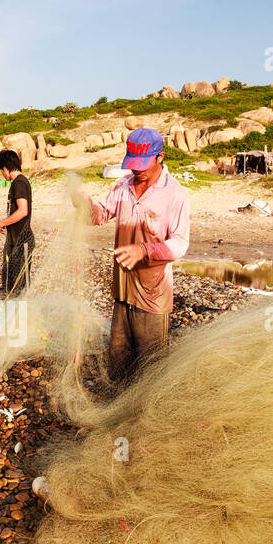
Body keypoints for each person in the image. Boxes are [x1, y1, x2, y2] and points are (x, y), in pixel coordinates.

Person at [89, 128, 189, 383]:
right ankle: (120, 404)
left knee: (151, 364)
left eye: (142, 164)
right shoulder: (123, 186)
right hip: (123, 291)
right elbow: (101, 214)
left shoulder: (174, 193)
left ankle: (146, 414)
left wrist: (144, 250)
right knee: (119, 355)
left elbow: (179, 244)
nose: (136, 170)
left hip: (152, 294)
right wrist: (85, 205)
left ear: (160, 157)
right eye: (132, 164)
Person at [0, 149, 33, 296]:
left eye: (2, 170)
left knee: (20, 283)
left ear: (6, 167)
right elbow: (17, 214)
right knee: (11, 278)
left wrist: (0, 223)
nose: (2, 173)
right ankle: (14, 312)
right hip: (16, 239)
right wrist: (6, 226)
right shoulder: (18, 182)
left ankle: (21, 313)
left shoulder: (19, 183)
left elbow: (23, 211)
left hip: (23, 241)